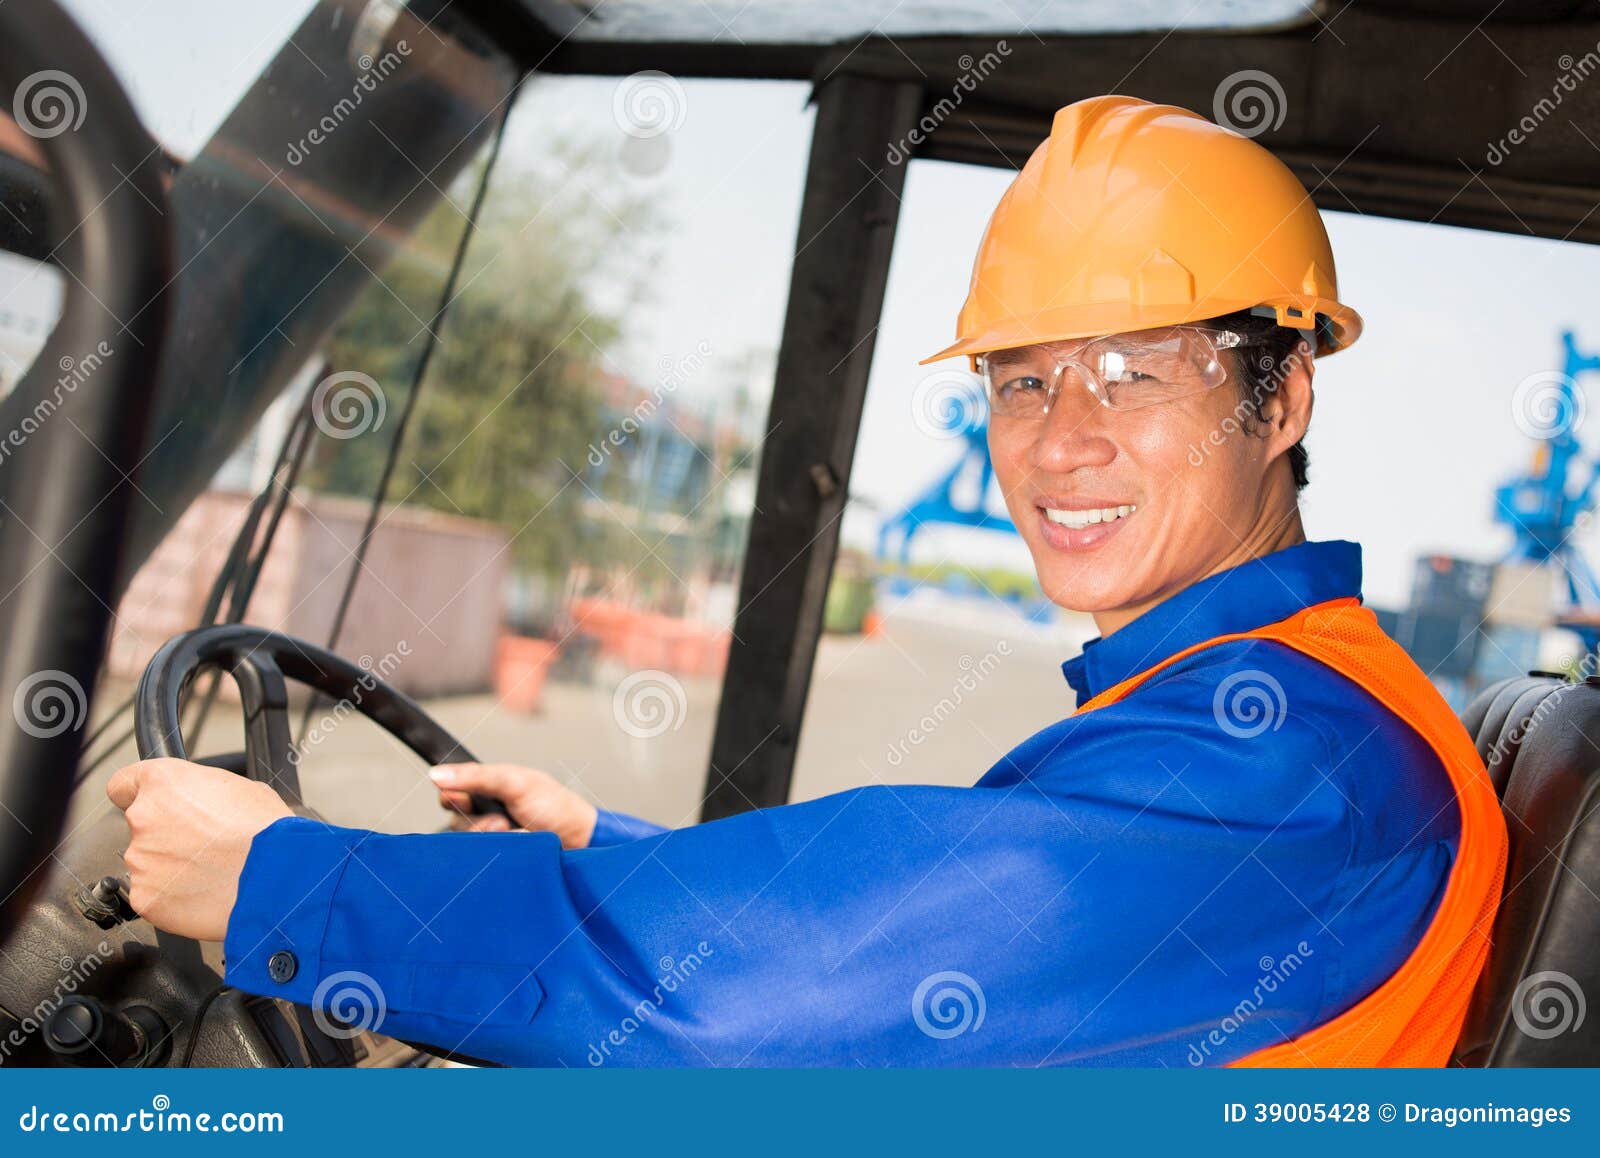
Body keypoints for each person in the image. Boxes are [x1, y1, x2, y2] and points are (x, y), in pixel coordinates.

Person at [107, 94, 1507, 1067]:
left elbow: (783, 992)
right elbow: (921, 939)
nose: (1062, 440)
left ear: (1282, 399)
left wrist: (284, 883)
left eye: (1137, 373)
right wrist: (607, 845)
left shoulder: (1287, 760)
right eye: (1022, 382)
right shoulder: (1224, 711)